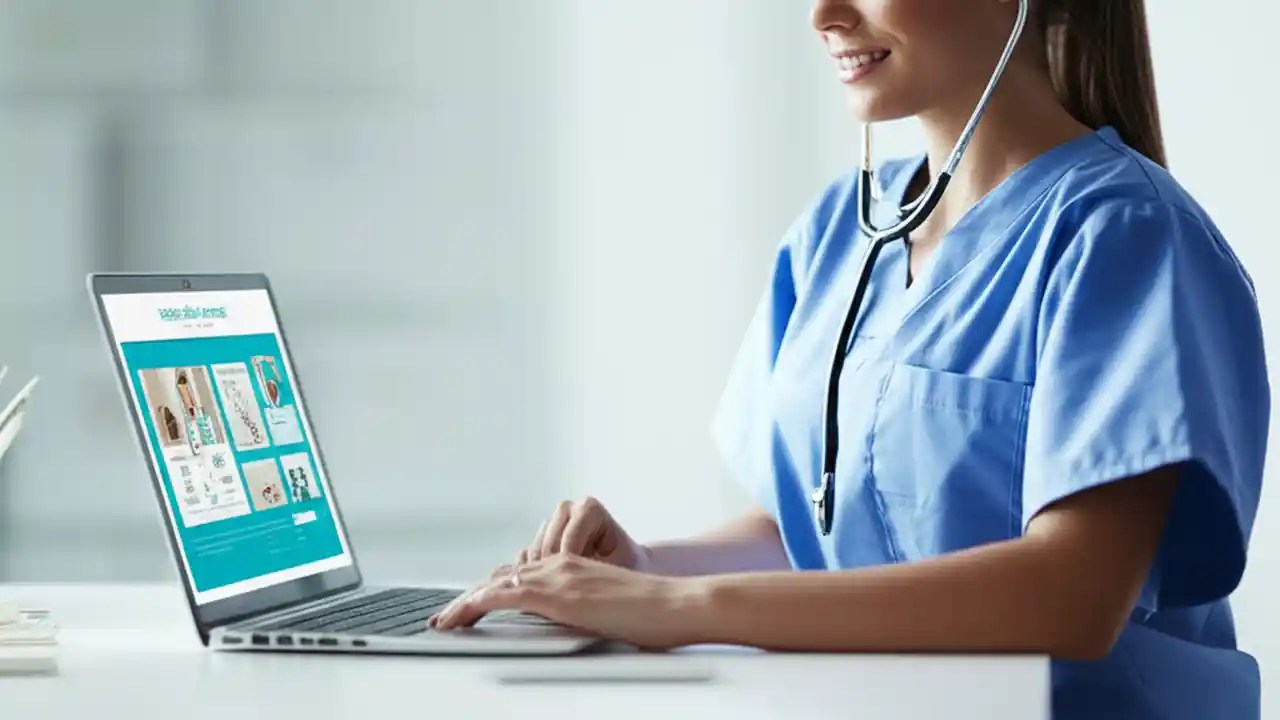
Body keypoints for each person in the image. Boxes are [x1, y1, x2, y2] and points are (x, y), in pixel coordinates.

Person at [431, 1, 1268, 717]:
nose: (823, 15)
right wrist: (643, 567)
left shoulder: (1121, 235)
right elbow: (815, 534)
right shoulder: (838, 233)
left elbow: (1074, 595)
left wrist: (680, 605)